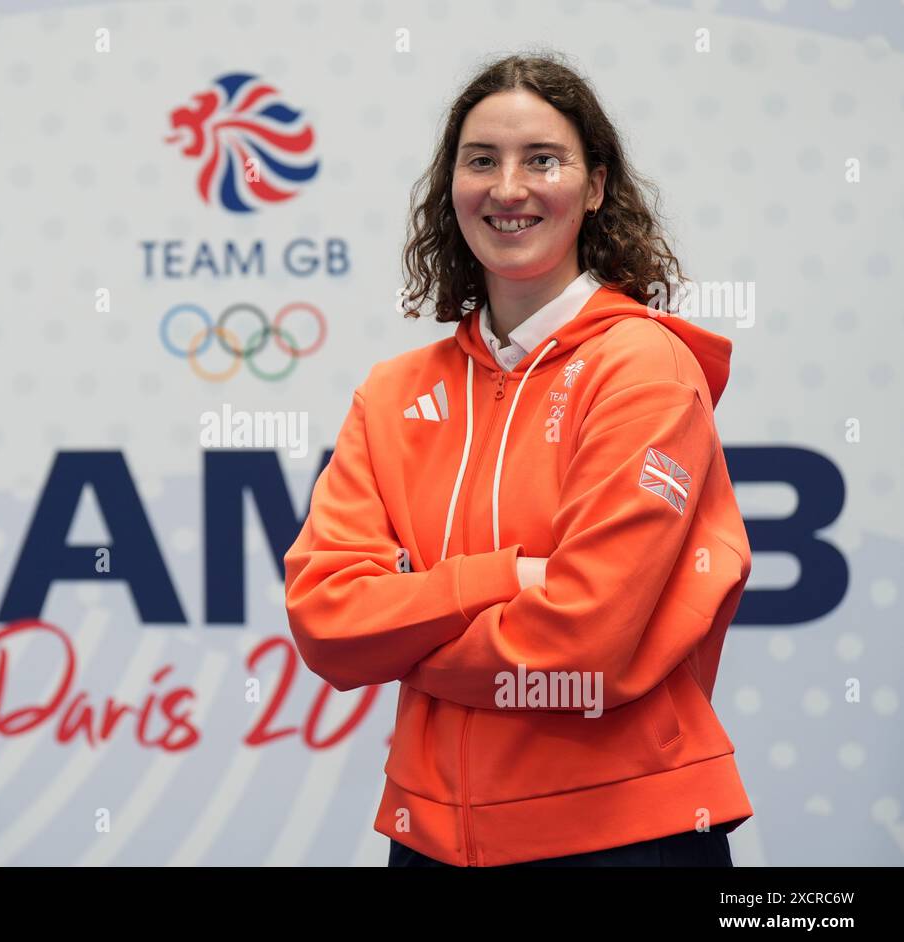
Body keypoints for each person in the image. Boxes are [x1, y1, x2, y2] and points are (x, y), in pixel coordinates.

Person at [282, 51, 753, 868]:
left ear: (596, 186)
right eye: (481, 161)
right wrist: (509, 579)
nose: (508, 188)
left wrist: (407, 619)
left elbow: (582, 643)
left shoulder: (641, 367)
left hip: (625, 836)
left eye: (543, 159)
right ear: (451, 188)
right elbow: (328, 622)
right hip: (432, 840)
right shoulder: (394, 393)